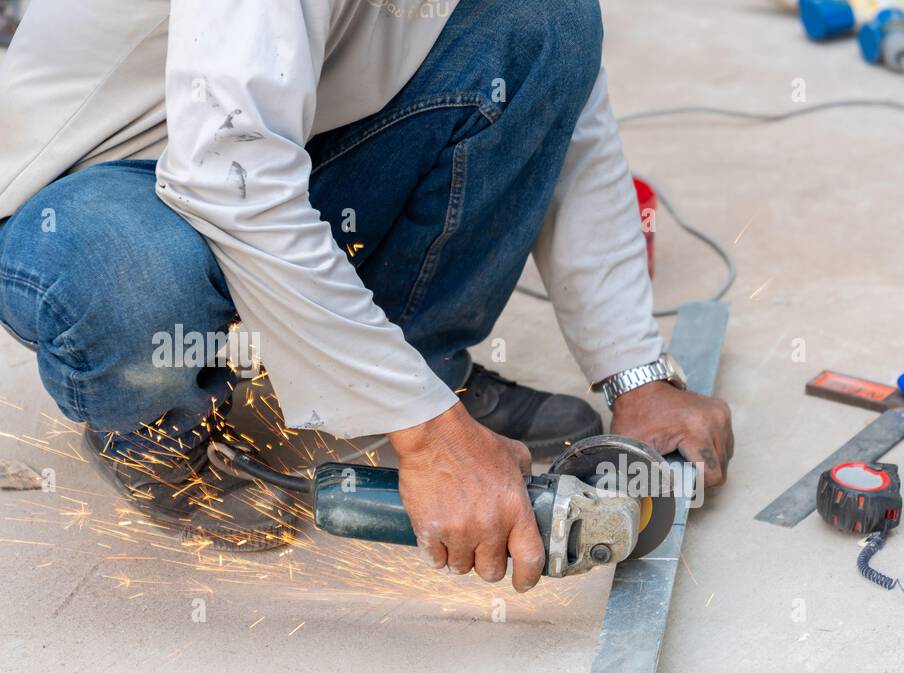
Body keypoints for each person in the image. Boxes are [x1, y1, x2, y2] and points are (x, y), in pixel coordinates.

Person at [0, 0, 733, 592]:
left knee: (547, 21)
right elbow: (230, 182)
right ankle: (164, 435)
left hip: (282, 144)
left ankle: (419, 367)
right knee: (129, 279)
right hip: (90, 192)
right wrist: (429, 436)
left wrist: (636, 372)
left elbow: (574, 127)